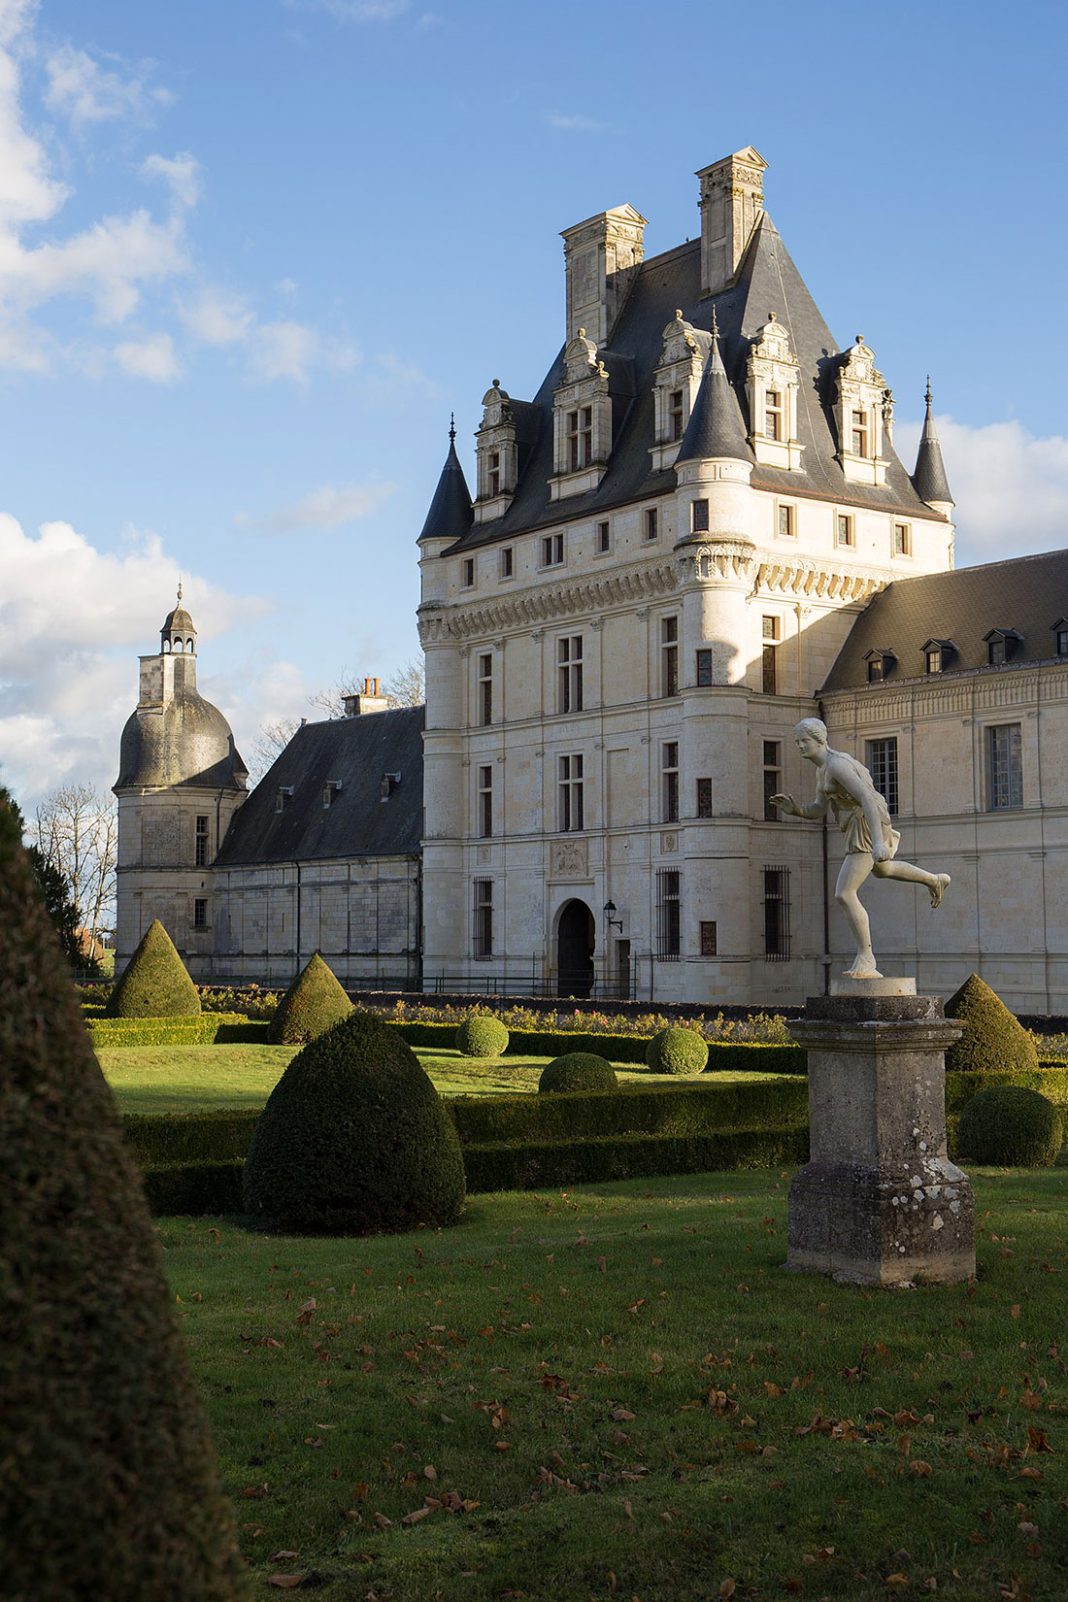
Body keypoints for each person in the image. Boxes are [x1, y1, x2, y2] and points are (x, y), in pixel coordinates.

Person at [771, 717, 950, 980]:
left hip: (866, 823)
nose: (799, 746)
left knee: (844, 893)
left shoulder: (837, 766)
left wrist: (878, 841)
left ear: (819, 739)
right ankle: (934, 880)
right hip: (858, 823)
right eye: (797, 741)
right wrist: (796, 810)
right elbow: (820, 808)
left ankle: (866, 957)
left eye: (804, 741)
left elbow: (866, 798)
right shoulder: (822, 770)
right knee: (884, 870)